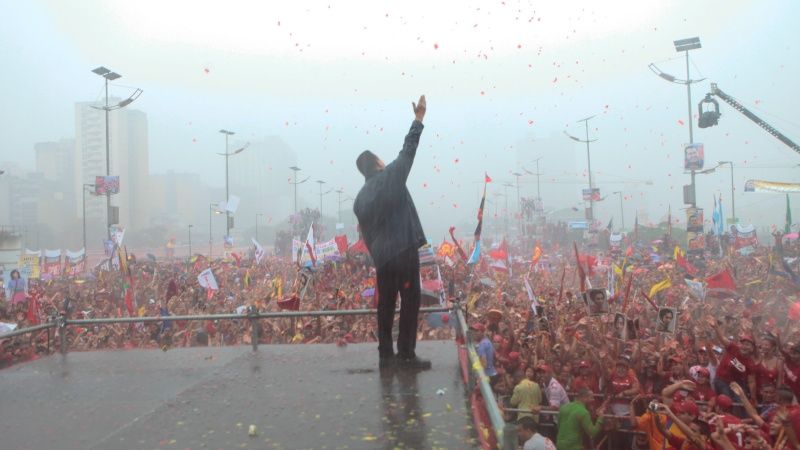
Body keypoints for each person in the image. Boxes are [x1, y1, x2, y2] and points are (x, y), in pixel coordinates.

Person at [353, 95, 429, 370]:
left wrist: (379, 255)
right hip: (404, 252)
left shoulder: (359, 200)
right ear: (377, 163)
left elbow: (366, 236)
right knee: (410, 301)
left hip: (384, 260)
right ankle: (406, 354)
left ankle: (385, 354)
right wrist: (418, 119)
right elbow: (408, 151)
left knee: (385, 304)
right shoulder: (390, 178)